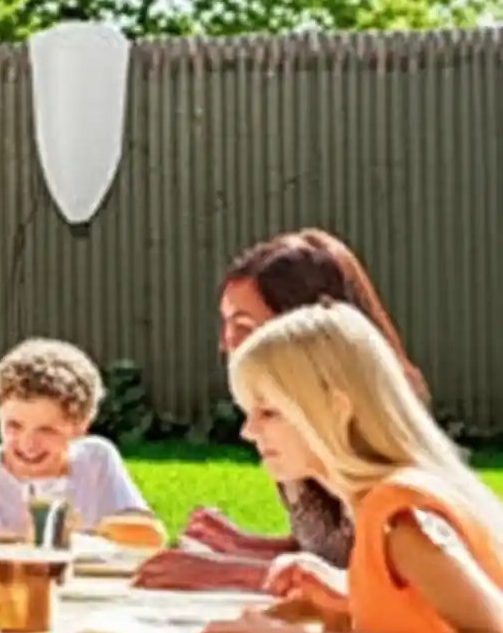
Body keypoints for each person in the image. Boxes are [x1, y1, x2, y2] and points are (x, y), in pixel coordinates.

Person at [193, 302, 503, 633]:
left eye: (269, 412)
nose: (248, 431)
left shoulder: (402, 522)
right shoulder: (382, 507)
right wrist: (350, 597)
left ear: (337, 410)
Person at [134, 229, 428, 591]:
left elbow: (391, 583)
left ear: (303, 329)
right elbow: (331, 551)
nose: (226, 345)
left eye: (244, 327)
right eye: (225, 325)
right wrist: (243, 546)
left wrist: (227, 572)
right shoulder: (292, 430)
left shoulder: (369, 438)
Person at [0, 338, 161, 543]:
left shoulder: (95, 461)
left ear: (80, 426)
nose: (28, 444)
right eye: (13, 426)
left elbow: (148, 536)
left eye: (47, 430)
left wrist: (84, 538)